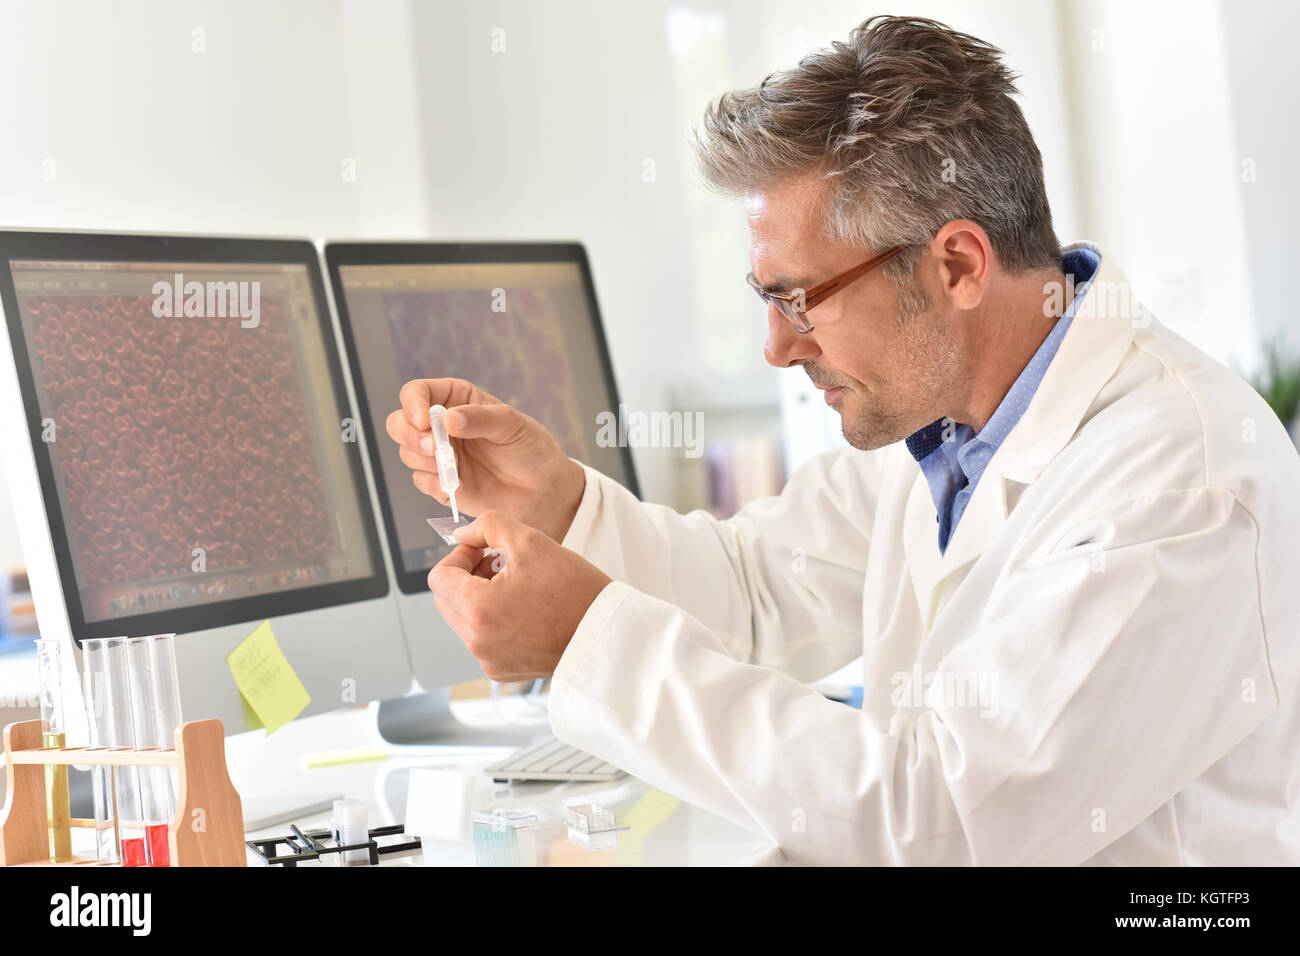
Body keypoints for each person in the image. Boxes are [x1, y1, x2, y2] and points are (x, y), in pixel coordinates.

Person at [385, 16, 1300, 864]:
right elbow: (755, 593)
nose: (777, 348)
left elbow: (943, 821)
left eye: (798, 298)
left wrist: (590, 640)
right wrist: (558, 507)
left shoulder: (1178, 484)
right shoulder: (951, 425)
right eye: (765, 299)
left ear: (957, 265)